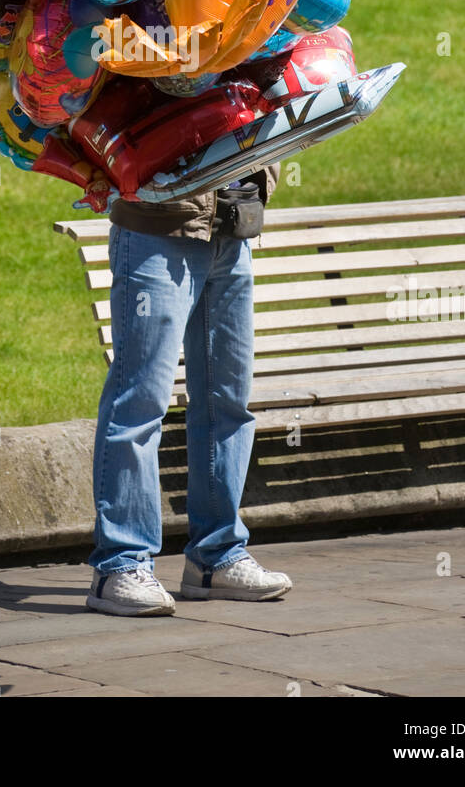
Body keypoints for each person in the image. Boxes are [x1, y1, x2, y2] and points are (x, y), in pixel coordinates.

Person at [86, 162, 291, 616]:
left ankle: (216, 558)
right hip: (157, 227)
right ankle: (119, 566)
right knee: (139, 402)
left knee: (228, 403)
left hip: (232, 225)